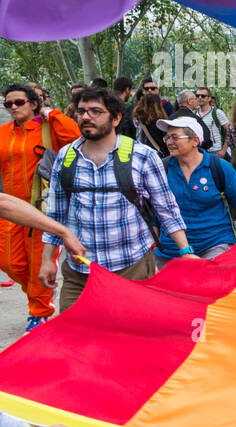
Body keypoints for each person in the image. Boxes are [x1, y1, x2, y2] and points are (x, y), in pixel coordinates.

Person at [40, 84, 196, 310]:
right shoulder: (66, 157)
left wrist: (186, 251)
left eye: (95, 111)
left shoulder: (142, 156)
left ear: (115, 119)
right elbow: (55, 215)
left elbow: (167, 209)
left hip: (131, 269)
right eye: (81, 111)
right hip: (80, 274)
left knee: (129, 339)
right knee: (75, 340)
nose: (86, 117)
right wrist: (47, 259)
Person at [0, 84, 81, 330]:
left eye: (19, 102)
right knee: (9, 262)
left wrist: (52, 114)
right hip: (10, 208)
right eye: (8, 104)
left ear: (33, 103)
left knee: (38, 263)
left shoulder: (49, 128)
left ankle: (40, 312)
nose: (13, 107)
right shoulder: (3, 132)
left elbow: (76, 138)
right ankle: (36, 294)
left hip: (42, 208)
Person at [156, 116, 236, 265]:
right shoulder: (162, 169)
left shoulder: (219, 167)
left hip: (215, 245)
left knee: (213, 283)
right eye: (167, 137)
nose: (169, 142)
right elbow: (152, 213)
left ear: (195, 140)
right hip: (171, 250)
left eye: (174, 137)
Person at [193, 87, 230, 158]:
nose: (200, 98)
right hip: (199, 151)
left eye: (203, 96)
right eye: (197, 96)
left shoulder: (217, 112)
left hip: (215, 151)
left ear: (209, 98)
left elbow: (230, 131)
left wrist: (223, 150)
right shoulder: (194, 113)